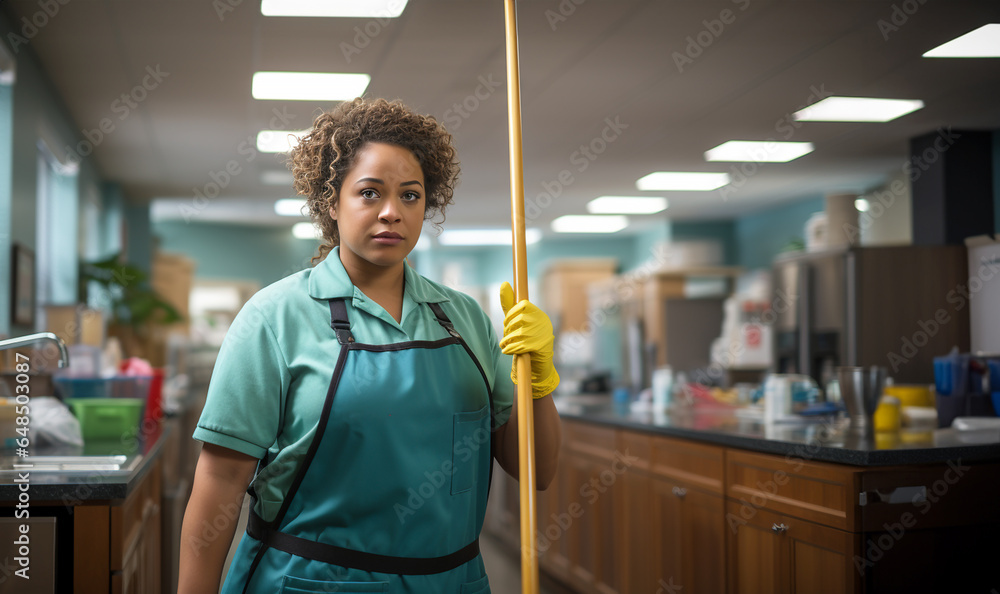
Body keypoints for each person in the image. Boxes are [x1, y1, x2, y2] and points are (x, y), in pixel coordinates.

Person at [178, 97, 562, 593]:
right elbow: (220, 485)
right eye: (369, 193)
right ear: (331, 202)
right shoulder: (274, 318)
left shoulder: (466, 320)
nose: (391, 212)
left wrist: (539, 383)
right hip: (311, 582)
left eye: (410, 195)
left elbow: (537, 472)